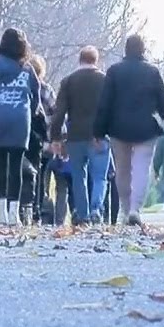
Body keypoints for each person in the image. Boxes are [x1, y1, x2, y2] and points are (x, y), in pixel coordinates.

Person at [93, 35, 164, 226]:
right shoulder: (152, 72)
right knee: (142, 168)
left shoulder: (114, 72)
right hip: (146, 128)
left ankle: (126, 210)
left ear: (126, 50)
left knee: (123, 170)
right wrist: (158, 113)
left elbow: (105, 103)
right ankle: (136, 208)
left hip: (118, 128)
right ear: (143, 50)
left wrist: (98, 131)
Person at [0, 28, 41, 226]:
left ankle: (0, 213)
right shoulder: (27, 69)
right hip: (20, 119)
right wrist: (30, 113)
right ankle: (14, 214)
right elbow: (36, 96)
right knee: (16, 166)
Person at [49, 46, 110, 225]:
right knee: (100, 177)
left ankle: (82, 214)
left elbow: (59, 113)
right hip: (98, 136)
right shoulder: (105, 81)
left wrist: (56, 138)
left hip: (75, 137)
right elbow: (109, 110)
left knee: (78, 176)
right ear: (96, 61)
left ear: (80, 60)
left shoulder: (68, 81)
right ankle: (96, 209)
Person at [21, 54, 56, 225]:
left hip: (21, 136)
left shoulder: (21, 86)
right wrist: (53, 139)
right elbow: (53, 115)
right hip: (41, 140)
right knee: (41, 174)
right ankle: (36, 207)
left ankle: (19, 202)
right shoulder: (47, 90)